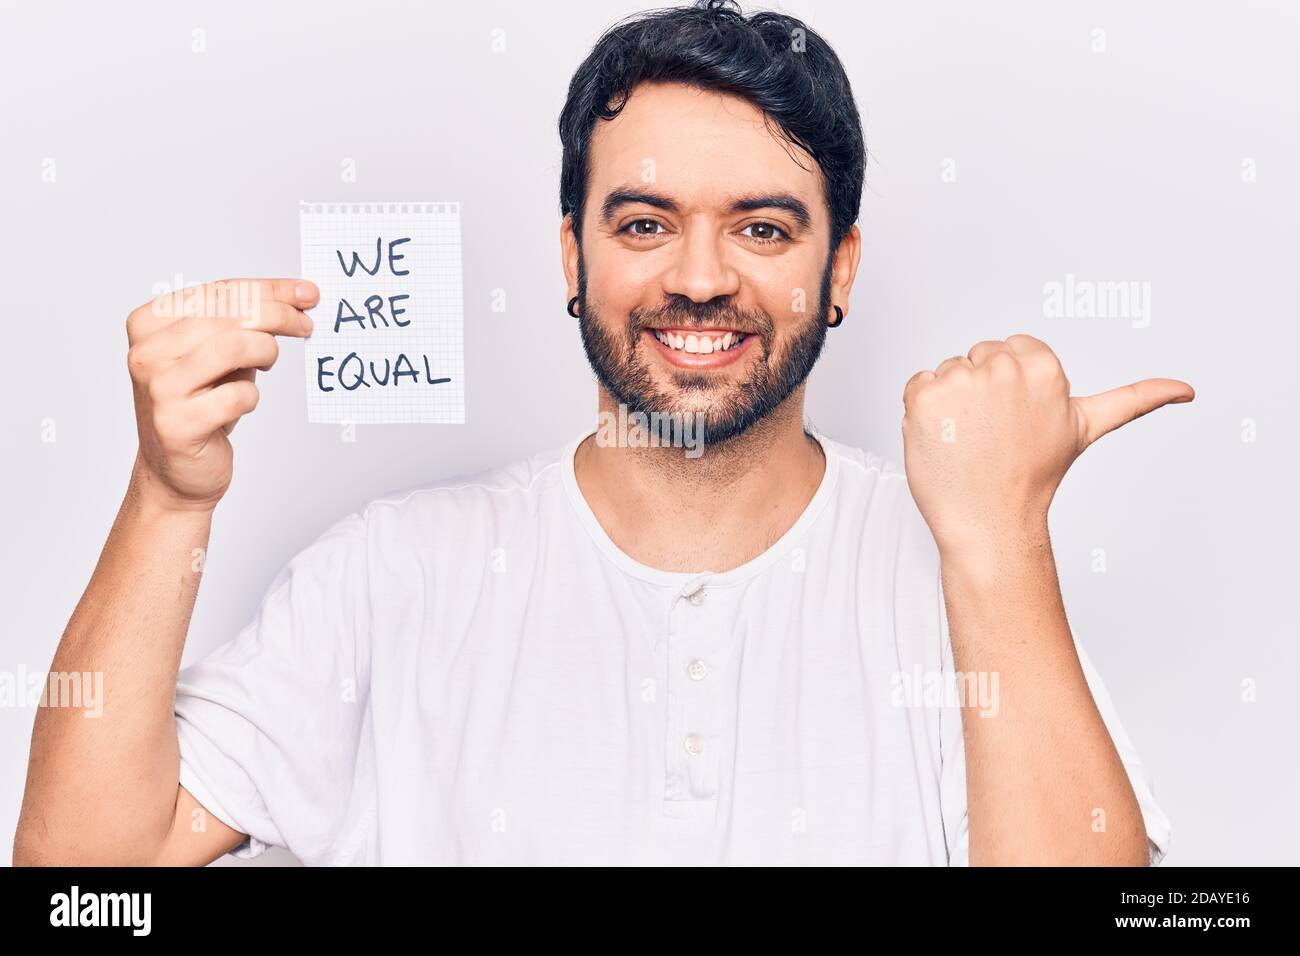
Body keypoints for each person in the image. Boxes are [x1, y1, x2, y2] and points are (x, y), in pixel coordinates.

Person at [14, 0, 1190, 866]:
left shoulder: (957, 571)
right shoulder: (392, 574)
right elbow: (78, 887)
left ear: (841, 270)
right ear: (573, 257)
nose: (698, 277)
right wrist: (168, 497)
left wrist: (1002, 540)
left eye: (764, 229)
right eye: (643, 221)